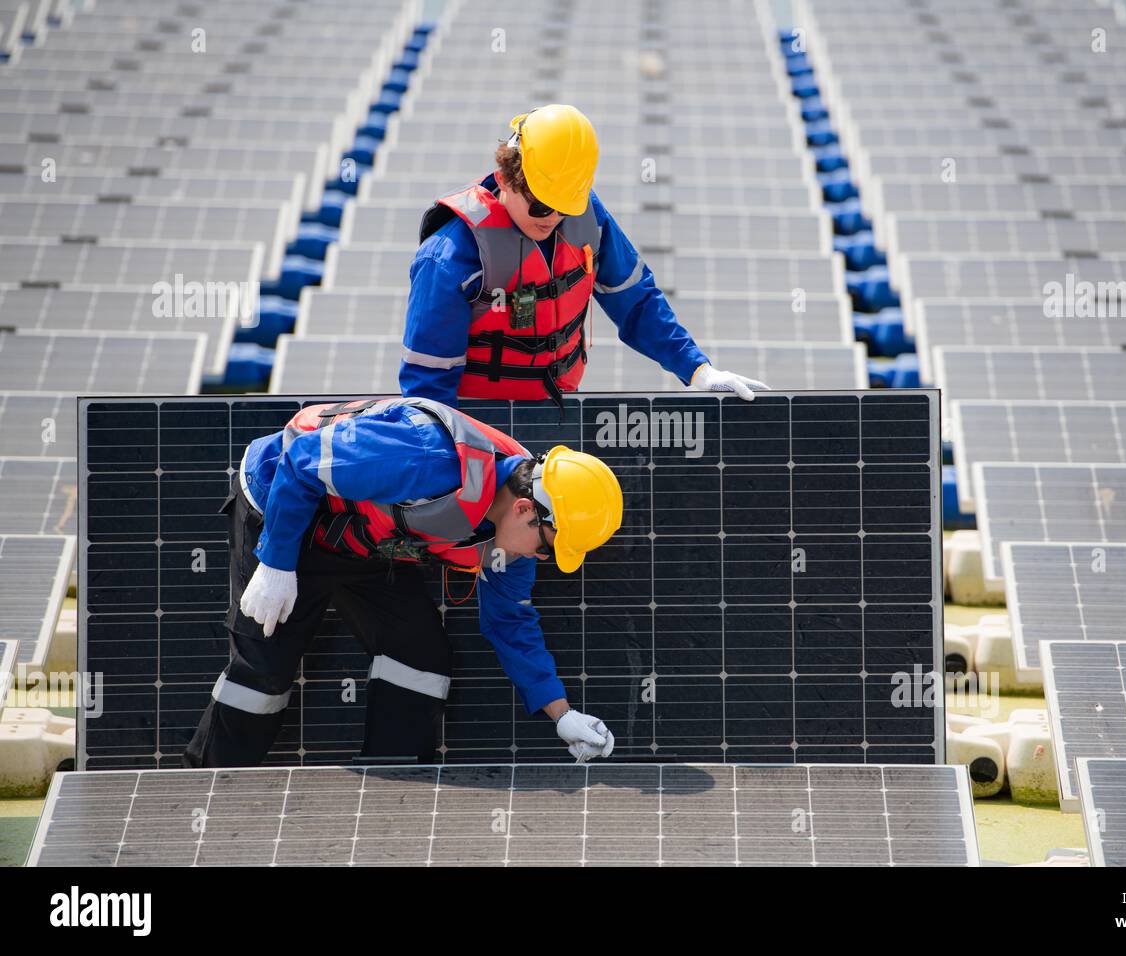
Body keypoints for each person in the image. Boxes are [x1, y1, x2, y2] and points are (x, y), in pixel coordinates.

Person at [183, 396, 623, 768]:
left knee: (419, 656)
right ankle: (210, 789)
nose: (543, 557)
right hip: (283, 511)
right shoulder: (428, 456)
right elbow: (301, 462)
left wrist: (562, 715)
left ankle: (389, 790)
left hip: (361, 543)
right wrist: (276, 563)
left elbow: (511, 625)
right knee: (261, 673)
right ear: (527, 510)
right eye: (549, 545)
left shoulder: (512, 542)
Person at [402, 103, 770, 407]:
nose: (554, 219)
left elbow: (637, 302)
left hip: (560, 414)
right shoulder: (447, 259)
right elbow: (429, 396)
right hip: (480, 432)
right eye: (542, 207)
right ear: (504, 178)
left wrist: (700, 372)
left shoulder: (585, 218)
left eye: (565, 207)